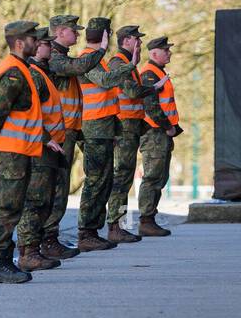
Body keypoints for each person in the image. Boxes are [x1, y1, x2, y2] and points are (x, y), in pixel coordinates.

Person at [0, 21, 45, 284]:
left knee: (13, 208)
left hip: (18, 150)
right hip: (11, 151)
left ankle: (3, 263)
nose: (37, 42)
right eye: (32, 38)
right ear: (20, 43)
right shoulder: (14, 73)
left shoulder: (21, 69)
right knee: (7, 208)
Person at [76, 17, 147, 250]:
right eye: (136, 39)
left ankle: (100, 229)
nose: (139, 43)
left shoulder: (101, 61)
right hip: (94, 128)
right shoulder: (90, 60)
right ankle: (93, 231)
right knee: (98, 182)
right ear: (106, 36)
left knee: (106, 182)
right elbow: (108, 83)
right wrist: (132, 65)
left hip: (107, 128)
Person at [42, 14, 103, 258]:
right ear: (59, 32)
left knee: (61, 185)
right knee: (56, 187)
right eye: (72, 31)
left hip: (69, 128)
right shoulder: (55, 59)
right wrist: (101, 50)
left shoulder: (60, 57)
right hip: (59, 130)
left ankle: (49, 239)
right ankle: (47, 240)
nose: (77, 34)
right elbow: (80, 67)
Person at [104, 25, 167, 244]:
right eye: (137, 40)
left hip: (130, 128)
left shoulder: (127, 65)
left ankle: (118, 225)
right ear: (127, 41)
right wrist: (154, 88)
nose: (140, 44)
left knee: (125, 179)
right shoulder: (118, 64)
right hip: (123, 128)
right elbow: (130, 92)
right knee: (121, 178)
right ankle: (115, 225)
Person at [13, 27, 66, 271]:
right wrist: (46, 138)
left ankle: (34, 249)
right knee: (35, 202)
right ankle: (28, 252)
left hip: (50, 146)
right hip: (40, 146)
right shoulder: (34, 74)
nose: (50, 48)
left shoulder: (43, 73)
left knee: (44, 201)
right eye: (47, 44)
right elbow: (28, 112)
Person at [137, 36, 182, 237]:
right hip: (155, 132)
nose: (169, 53)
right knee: (153, 177)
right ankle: (146, 220)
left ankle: (149, 219)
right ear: (154, 53)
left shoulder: (157, 72)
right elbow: (151, 106)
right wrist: (167, 127)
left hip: (161, 132)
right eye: (166, 50)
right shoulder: (149, 74)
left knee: (160, 177)